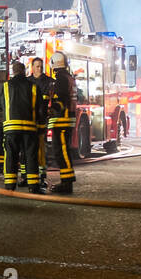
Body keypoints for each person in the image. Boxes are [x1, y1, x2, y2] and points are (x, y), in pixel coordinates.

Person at [0, 61, 44, 193]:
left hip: (11, 128)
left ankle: (10, 186)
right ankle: (33, 186)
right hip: (30, 128)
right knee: (30, 156)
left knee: (10, 155)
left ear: (13, 72)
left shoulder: (5, 86)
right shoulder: (34, 87)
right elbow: (41, 109)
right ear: (25, 71)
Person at [46, 51, 77, 193]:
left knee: (62, 152)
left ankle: (67, 184)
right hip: (64, 120)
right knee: (62, 152)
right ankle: (66, 182)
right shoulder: (68, 78)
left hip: (62, 121)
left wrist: (51, 110)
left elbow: (60, 100)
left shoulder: (61, 79)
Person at [28, 57, 50, 178]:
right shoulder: (27, 82)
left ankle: (42, 171)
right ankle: (30, 170)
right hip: (29, 119)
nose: (40, 69)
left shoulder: (48, 81)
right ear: (32, 68)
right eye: (37, 66)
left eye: (41, 66)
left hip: (42, 118)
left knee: (42, 144)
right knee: (29, 145)